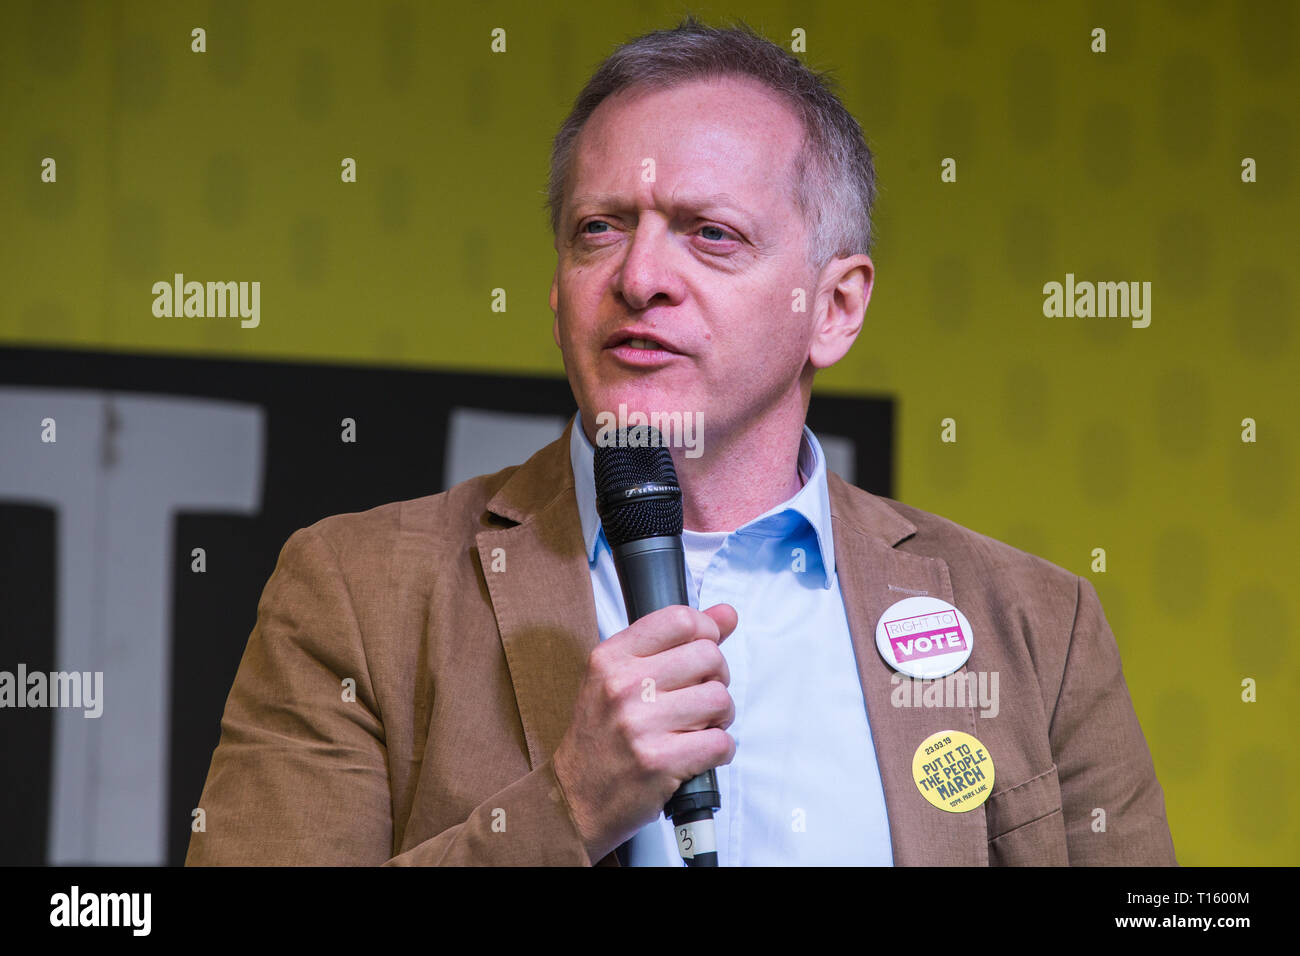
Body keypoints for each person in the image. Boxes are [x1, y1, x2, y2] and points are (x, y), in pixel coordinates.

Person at [186, 17, 1176, 867]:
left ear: (833, 307)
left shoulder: (1039, 628)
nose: (639, 276)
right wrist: (566, 803)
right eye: (599, 230)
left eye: (709, 234)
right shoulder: (359, 591)